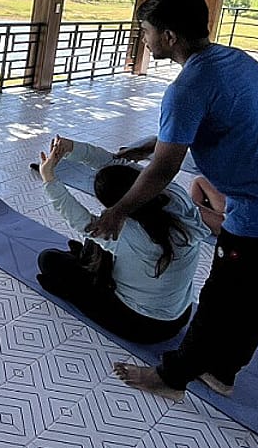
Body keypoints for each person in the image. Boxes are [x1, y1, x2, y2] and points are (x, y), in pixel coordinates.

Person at [87, 0, 258, 401]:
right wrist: (153, 141)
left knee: (220, 300)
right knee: (253, 297)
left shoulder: (186, 88)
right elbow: (214, 121)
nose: (142, 39)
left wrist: (118, 211)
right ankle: (223, 371)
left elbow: (164, 171)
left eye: (145, 31)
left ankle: (171, 379)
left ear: (169, 37)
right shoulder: (235, 59)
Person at [35, 135, 215, 344]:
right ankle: (84, 264)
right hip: (181, 314)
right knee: (93, 243)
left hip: (142, 324)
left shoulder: (126, 231)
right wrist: (72, 148)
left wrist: (48, 178)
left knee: (48, 260)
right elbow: (118, 165)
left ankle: (74, 282)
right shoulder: (174, 195)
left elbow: (81, 222)